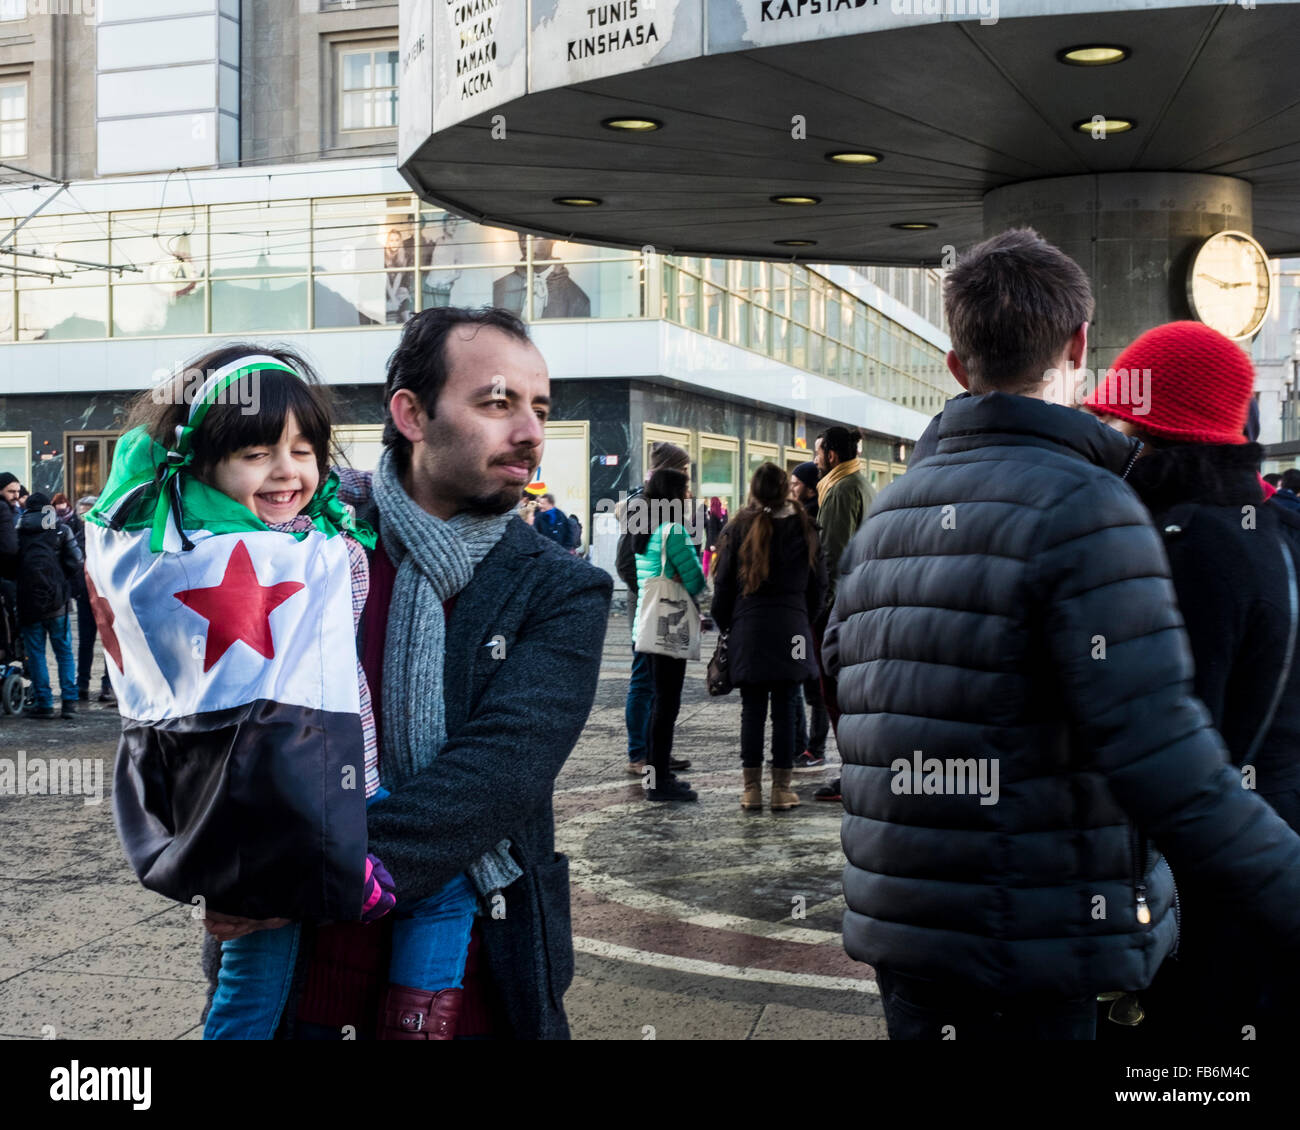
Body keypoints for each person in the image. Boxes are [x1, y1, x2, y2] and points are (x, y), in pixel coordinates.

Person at [825, 227, 1300, 1041]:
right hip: (1034, 941)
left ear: (954, 364)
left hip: (902, 932)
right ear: (1081, 345)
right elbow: (1168, 764)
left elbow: (848, 699)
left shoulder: (888, 514)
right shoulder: (1089, 511)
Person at [197, 309, 611, 1040]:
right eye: (497, 402)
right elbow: (204, 696)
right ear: (410, 413)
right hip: (292, 984)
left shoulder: (558, 588)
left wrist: (301, 873)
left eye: (539, 409)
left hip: (471, 989)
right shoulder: (305, 533)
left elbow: (493, 779)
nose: (530, 433)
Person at [90, 345, 394, 1039]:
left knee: (260, 964)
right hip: (276, 788)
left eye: (304, 449)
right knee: (255, 970)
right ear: (202, 465)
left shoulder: (181, 538)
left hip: (308, 775)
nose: (288, 470)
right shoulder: (235, 549)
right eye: (258, 453)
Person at [1084, 321, 1300, 1040]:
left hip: (1207, 878)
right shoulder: (1266, 525)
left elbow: (1168, 747)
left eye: (1124, 425)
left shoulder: (1188, 542)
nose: (1113, 440)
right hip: (1264, 846)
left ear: (1161, 433)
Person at [711, 462, 826, 811]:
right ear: (784, 490)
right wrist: (803, 619)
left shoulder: (737, 527)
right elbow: (819, 586)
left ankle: (751, 790)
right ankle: (781, 789)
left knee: (752, 709)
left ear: (754, 489)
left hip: (750, 628)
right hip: (792, 630)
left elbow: (723, 588)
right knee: (787, 708)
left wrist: (729, 622)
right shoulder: (806, 527)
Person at [616, 441, 693, 776]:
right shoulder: (643, 505)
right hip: (647, 606)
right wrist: (652, 590)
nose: (689, 477)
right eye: (684, 469)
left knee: (660, 683)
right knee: (645, 678)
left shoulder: (664, 502)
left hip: (664, 604)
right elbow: (625, 563)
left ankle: (656, 750)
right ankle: (639, 753)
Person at [633, 465, 705, 802]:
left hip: (645, 626)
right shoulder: (673, 531)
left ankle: (656, 775)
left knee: (657, 704)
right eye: (686, 489)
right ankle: (659, 784)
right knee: (666, 706)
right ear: (674, 495)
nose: (689, 495)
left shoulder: (645, 527)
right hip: (667, 627)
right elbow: (696, 581)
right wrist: (687, 580)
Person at [15, 490, 82, 718]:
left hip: (28, 601)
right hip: (58, 601)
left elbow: (10, 562)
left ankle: (44, 703)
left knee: (36, 653)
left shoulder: (19, 532)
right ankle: (69, 703)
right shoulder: (61, 530)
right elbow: (76, 561)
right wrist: (59, 578)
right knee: (64, 653)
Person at [788, 461, 830, 770]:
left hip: (810, 614)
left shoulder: (812, 520)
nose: (792, 488)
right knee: (804, 679)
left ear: (811, 488)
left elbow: (819, 576)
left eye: (796, 484)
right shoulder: (799, 517)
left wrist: (812, 611)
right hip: (803, 613)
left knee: (815, 684)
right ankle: (803, 745)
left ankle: (814, 747)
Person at [493, 235, 592, 319]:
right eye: (521, 236)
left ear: (553, 238)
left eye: (534, 236)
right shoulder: (500, 288)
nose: (524, 244)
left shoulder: (577, 298)